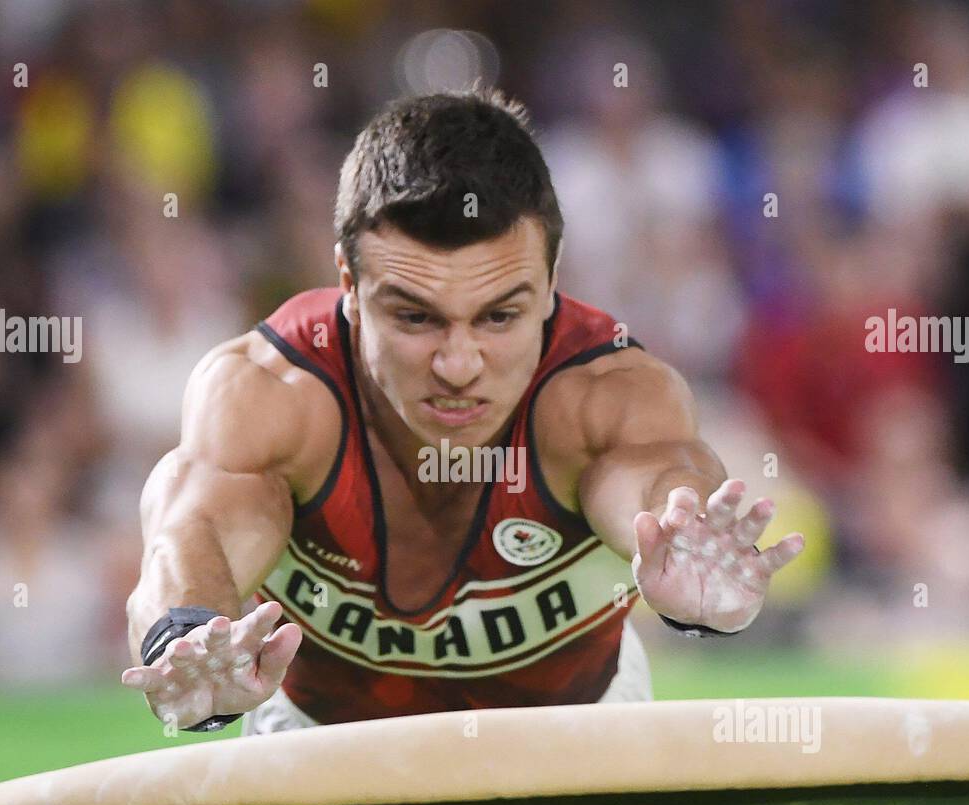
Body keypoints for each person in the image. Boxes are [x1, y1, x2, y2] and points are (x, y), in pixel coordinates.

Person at [122, 90, 804, 734]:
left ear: (551, 282)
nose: (458, 365)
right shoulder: (271, 394)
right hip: (322, 738)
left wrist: (687, 544)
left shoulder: (608, 392)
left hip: (571, 732)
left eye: (499, 316)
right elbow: (188, 534)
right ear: (348, 286)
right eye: (415, 317)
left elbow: (661, 484)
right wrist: (184, 635)